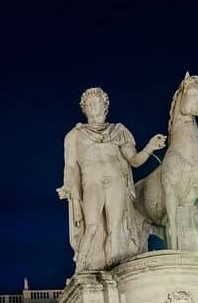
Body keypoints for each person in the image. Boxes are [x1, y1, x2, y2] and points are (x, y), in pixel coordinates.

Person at [58, 87, 165, 271]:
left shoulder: (119, 131)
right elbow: (71, 168)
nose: (92, 105)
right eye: (88, 104)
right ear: (84, 108)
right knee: (92, 226)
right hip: (91, 182)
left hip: (116, 180)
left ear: (105, 105)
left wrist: (149, 147)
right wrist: (71, 193)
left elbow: (134, 160)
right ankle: (81, 267)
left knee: (115, 228)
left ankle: (114, 269)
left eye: (96, 102)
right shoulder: (75, 135)